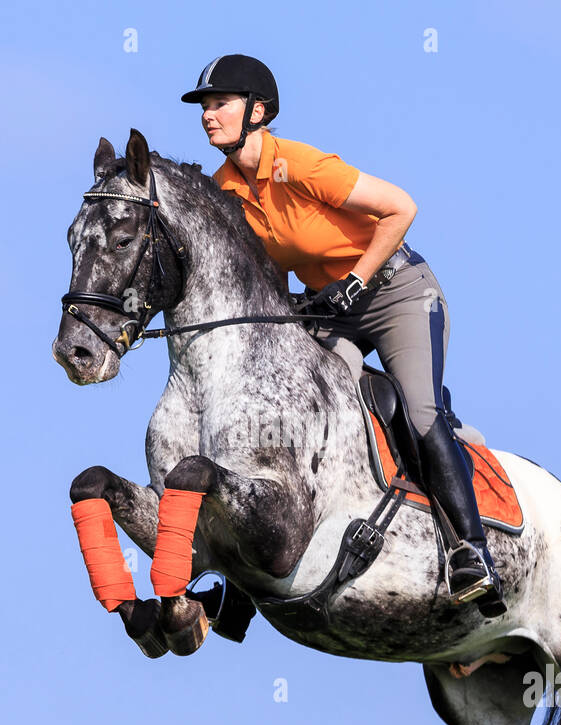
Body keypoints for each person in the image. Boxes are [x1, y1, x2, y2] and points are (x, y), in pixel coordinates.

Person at [180, 54, 504, 615]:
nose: (209, 116)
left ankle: (470, 551)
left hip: (398, 292)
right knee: (294, 412)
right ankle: (243, 580)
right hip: (331, 309)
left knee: (420, 413)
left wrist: (356, 279)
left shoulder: (300, 164)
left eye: (220, 104)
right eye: (204, 106)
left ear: (258, 111)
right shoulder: (224, 189)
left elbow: (401, 208)